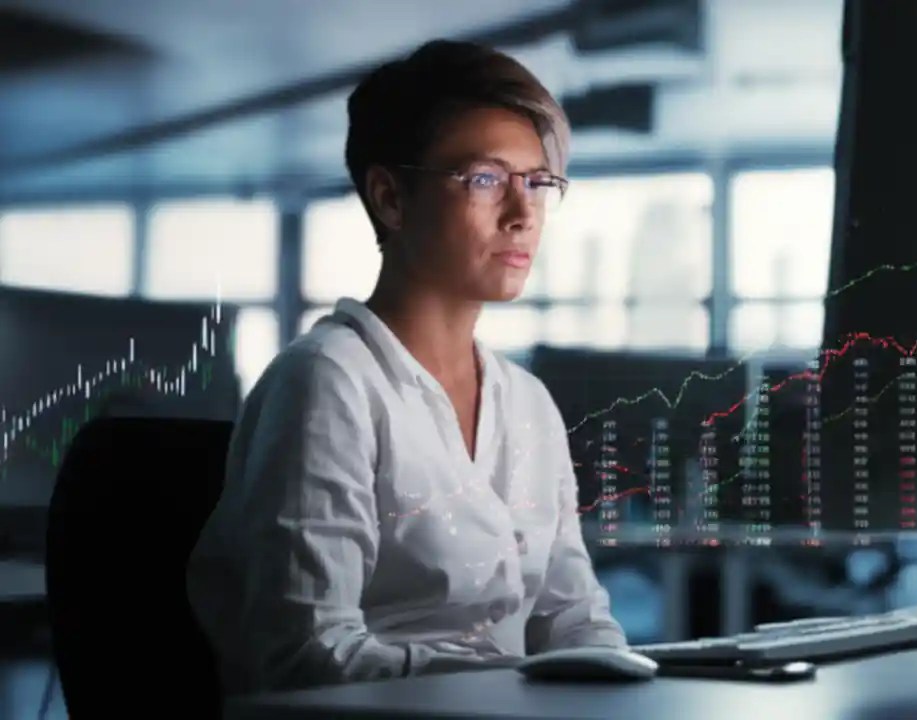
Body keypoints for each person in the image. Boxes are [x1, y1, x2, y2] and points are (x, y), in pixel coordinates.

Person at [186, 38, 627, 696]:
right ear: (391, 199)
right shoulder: (327, 381)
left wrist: (622, 678)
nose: (521, 214)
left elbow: (574, 618)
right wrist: (517, 679)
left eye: (537, 183)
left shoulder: (528, 403)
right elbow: (306, 654)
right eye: (484, 179)